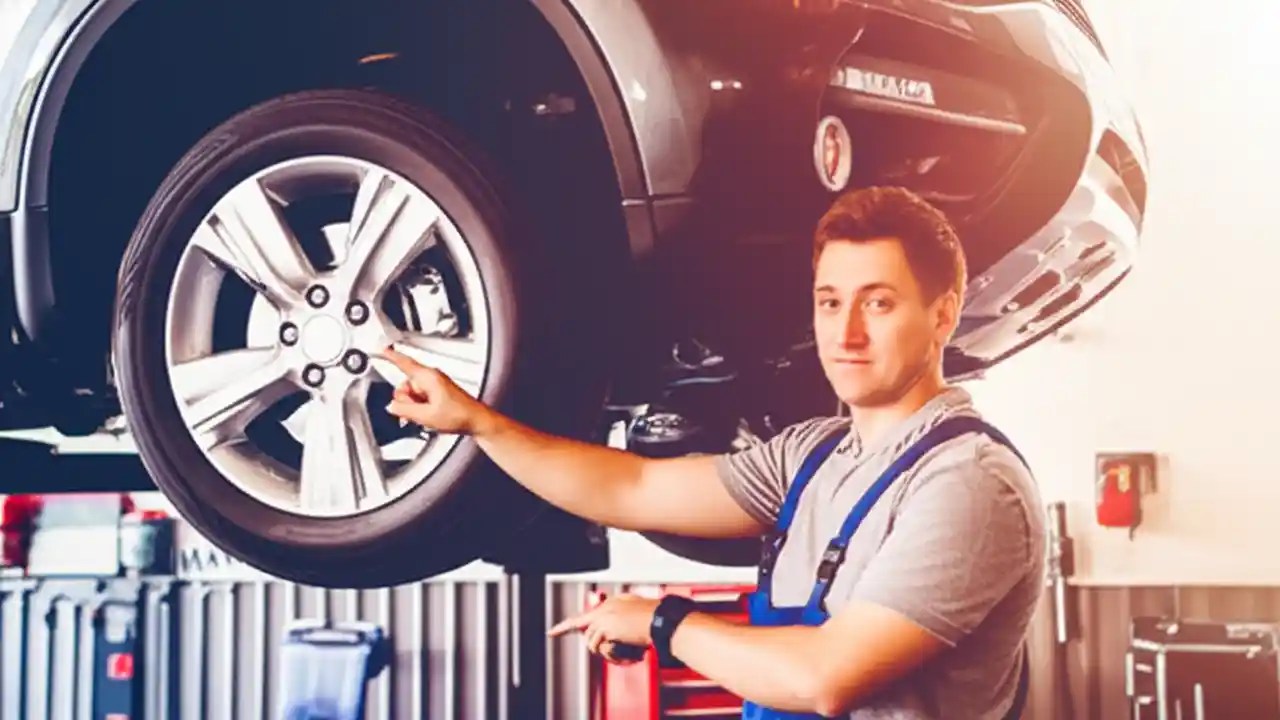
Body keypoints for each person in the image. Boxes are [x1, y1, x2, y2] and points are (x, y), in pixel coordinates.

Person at [382, 186, 1046, 719]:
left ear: (942, 314)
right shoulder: (810, 456)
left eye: (878, 303)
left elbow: (827, 678)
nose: (845, 332)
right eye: (829, 301)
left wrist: (664, 622)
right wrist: (478, 423)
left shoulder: (969, 483)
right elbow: (631, 489)